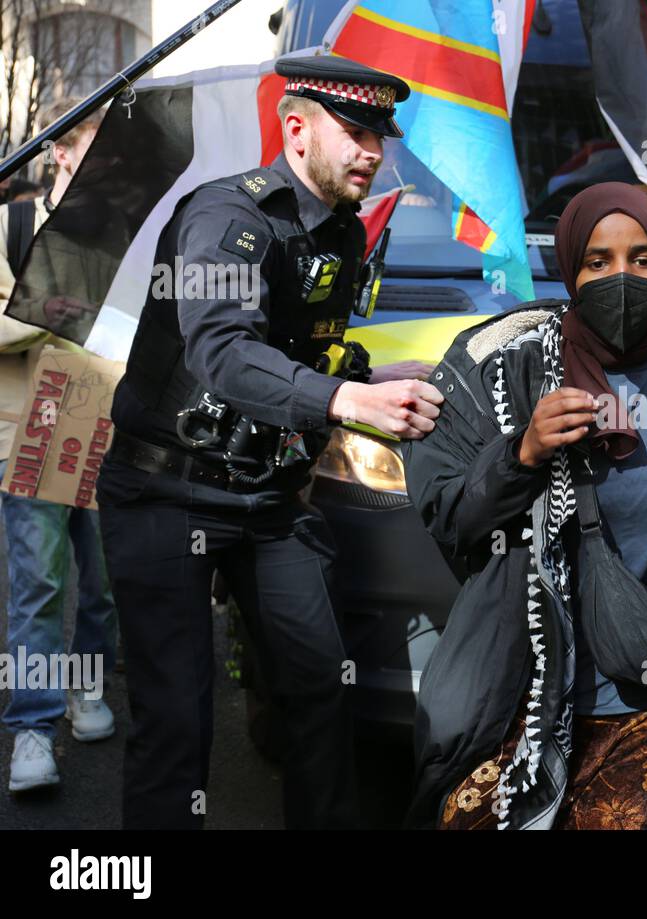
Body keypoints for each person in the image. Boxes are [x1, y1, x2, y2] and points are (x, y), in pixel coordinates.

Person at [95, 56, 444, 829]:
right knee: (176, 719)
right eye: (354, 133)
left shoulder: (343, 232)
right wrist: (350, 399)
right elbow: (222, 350)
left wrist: (365, 370)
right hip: (166, 494)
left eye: (379, 138)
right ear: (296, 128)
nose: (371, 152)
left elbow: (293, 347)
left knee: (322, 691)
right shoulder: (225, 217)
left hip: (269, 499)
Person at [405, 181, 647, 830]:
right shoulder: (502, 367)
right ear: (569, 267)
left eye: (642, 259)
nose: (623, 276)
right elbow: (452, 519)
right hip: (525, 685)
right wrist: (521, 453)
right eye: (598, 261)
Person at [0, 98, 116, 794]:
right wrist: (54, 313)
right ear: (62, 154)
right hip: (28, 437)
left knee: (104, 586)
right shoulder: (13, 226)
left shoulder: (124, 240)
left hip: (106, 432)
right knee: (37, 587)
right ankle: (35, 729)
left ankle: (87, 689)